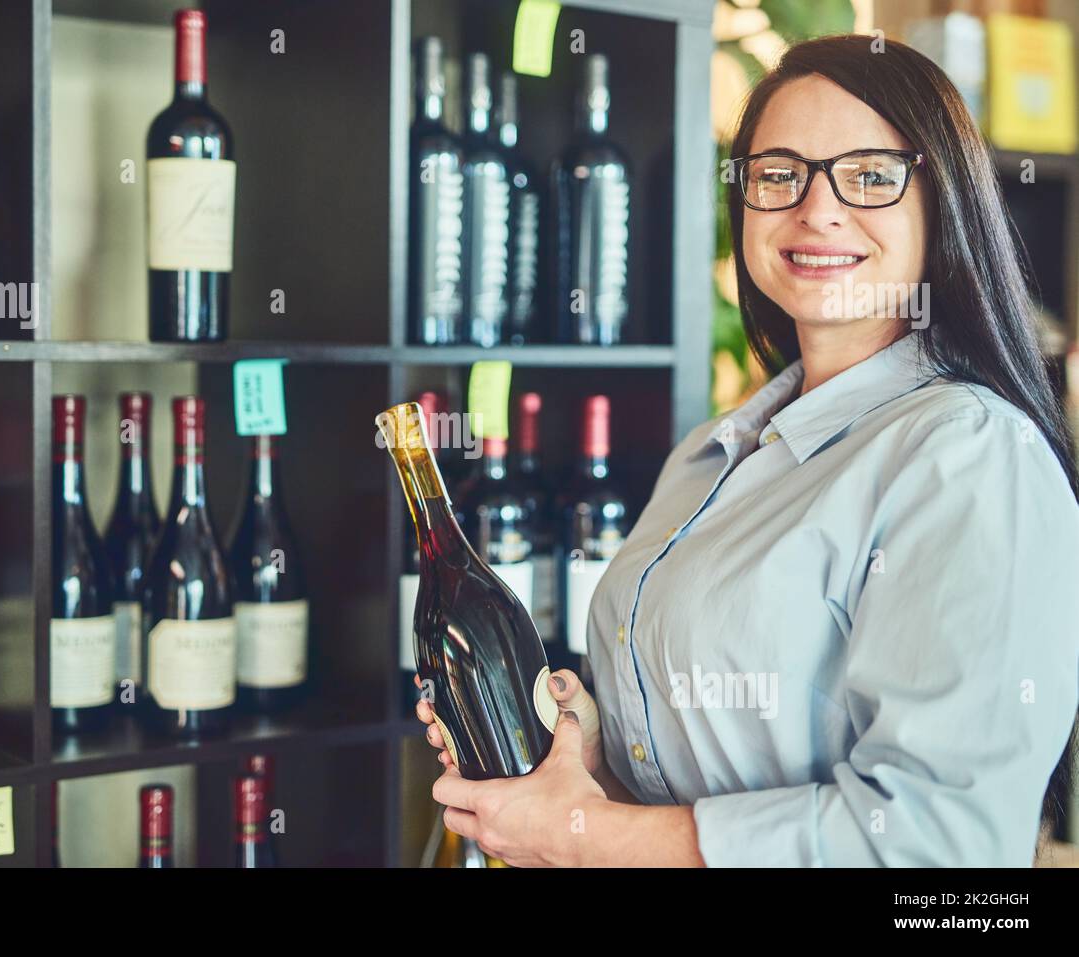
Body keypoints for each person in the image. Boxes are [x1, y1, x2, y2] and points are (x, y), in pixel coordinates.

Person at [416, 34, 1079, 867]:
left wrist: (585, 837)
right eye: (778, 174)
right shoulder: (709, 455)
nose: (817, 209)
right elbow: (690, 780)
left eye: (871, 175)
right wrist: (588, 762)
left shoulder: (971, 456)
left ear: (941, 204)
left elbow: (939, 849)